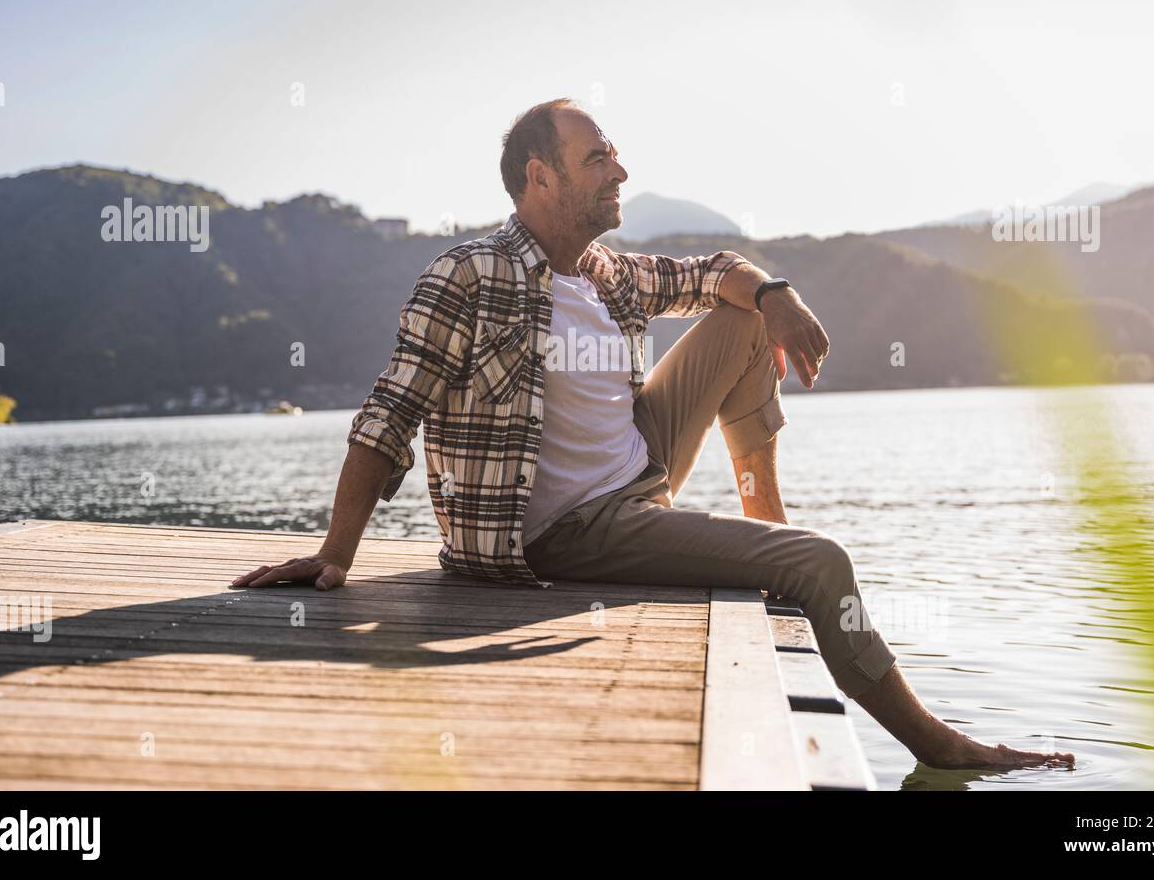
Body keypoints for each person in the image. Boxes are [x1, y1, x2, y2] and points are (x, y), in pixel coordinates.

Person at [231, 97, 1075, 772]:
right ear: (540, 179)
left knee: (741, 319)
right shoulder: (468, 276)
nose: (620, 170)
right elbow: (390, 412)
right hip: (566, 533)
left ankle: (764, 526)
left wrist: (774, 290)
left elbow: (712, 273)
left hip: (641, 475)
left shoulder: (607, 273)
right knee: (822, 564)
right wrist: (336, 553)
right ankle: (937, 743)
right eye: (597, 158)